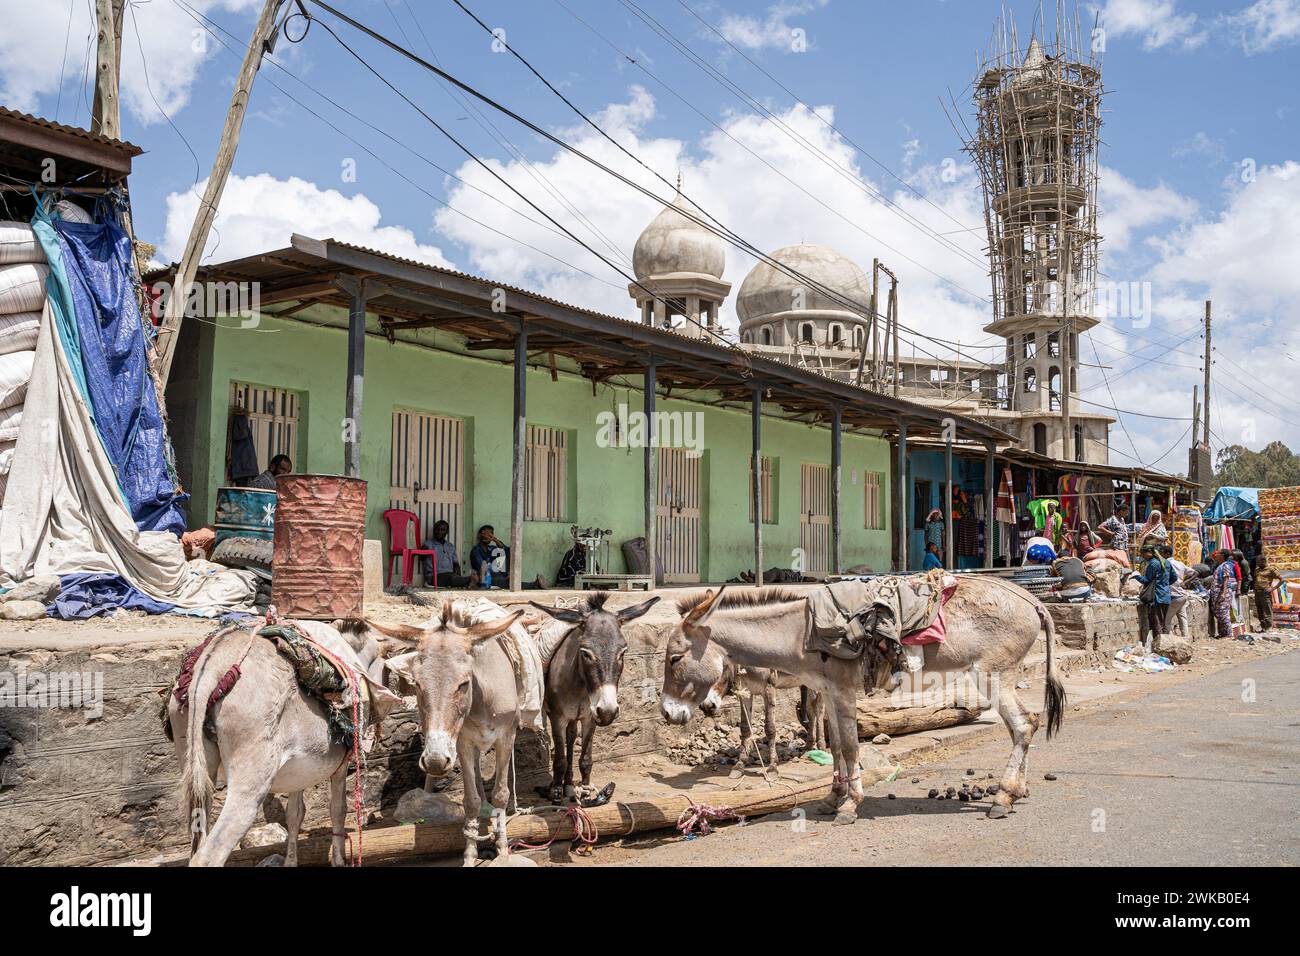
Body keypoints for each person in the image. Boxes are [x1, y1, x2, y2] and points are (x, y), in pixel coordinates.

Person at [469, 524, 547, 589]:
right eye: (486, 533)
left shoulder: (492, 548)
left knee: (507, 580)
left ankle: (532, 584)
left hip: (498, 576)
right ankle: (534, 585)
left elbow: (507, 551)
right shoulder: (476, 550)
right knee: (507, 583)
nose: (488, 536)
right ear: (480, 535)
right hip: (485, 579)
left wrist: (495, 540)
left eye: (491, 534)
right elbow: (482, 567)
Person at [1139, 543, 1172, 652]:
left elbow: (1147, 580)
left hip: (1156, 597)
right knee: (1163, 623)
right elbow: (1174, 578)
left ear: (1149, 553)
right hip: (1166, 596)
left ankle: (1160, 649)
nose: (1142, 556)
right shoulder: (1166, 562)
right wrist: (1164, 585)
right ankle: (1164, 647)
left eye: (1143, 554)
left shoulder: (1153, 564)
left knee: (1156, 623)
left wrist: (1136, 576)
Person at [421, 519, 473, 588]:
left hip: (450, 575)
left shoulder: (450, 546)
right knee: (451, 578)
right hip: (434, 576)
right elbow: (421, 558)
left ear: (447, 532)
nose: (439, 532)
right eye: (437, 529)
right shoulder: (428, 544)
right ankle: (469, 581)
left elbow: (456, 565)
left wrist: (458, 575)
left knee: (452, 577)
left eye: (442, 530)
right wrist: (422, 552)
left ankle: (466, 581)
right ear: (434, 530)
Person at [1210, 549, 1238, 639]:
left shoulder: (1225, 565)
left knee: (1223, 613)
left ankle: (1228, 634)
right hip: (1218, 592)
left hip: (1223, 592)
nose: (1216, 555)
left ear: (1222, 555)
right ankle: (1222, 634)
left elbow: (1226, 579)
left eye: (1218, 554)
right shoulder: (1220, 566)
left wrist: (1224, 593)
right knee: (1219, 612)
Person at [1253, 553, 1281, 632]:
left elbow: (1282, 580)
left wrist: (1272, 589)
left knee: (1267, 610)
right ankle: (1263, 627)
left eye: (1258, 562)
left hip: (1265, 593)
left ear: (1263, 561)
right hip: (1257, 593)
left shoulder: (1271, 570)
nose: (1257, 563)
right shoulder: (1257, 570)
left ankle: (1268, 627)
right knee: (1259, 610)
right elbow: (1256, 580)